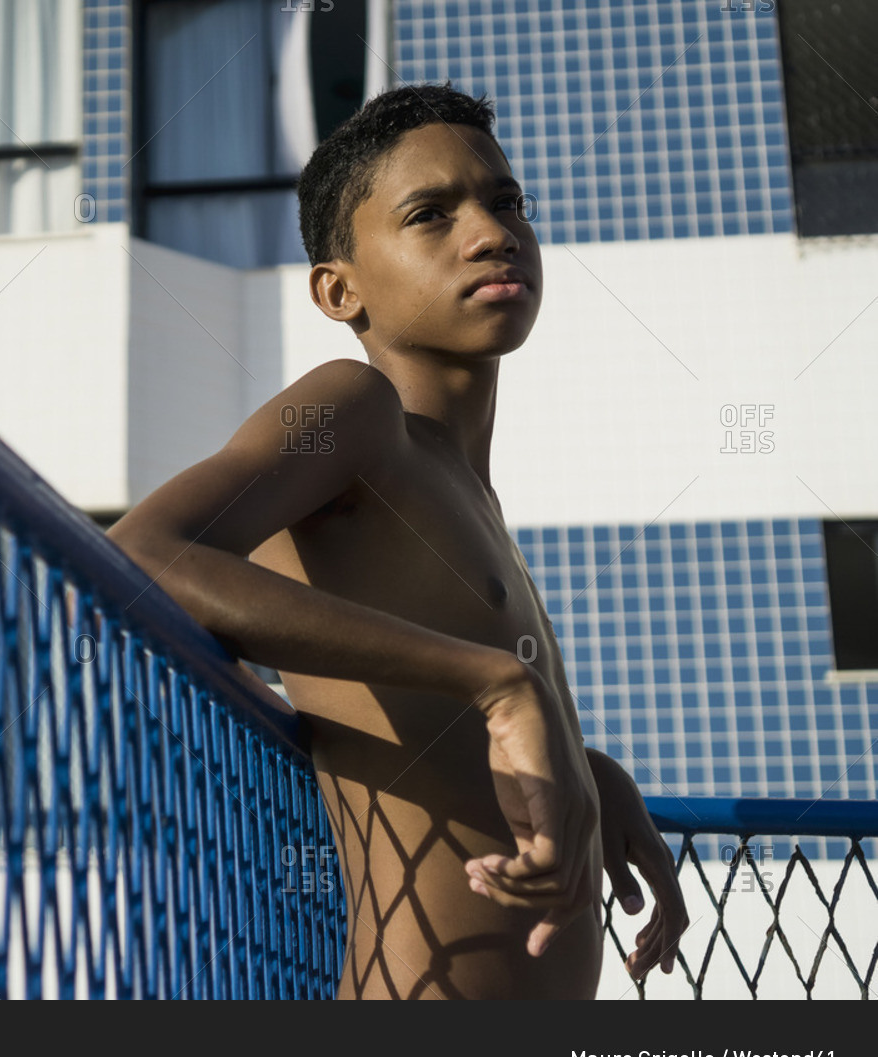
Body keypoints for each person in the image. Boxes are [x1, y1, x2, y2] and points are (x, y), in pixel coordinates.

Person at [106, 84, 687, 999]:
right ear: (340, 290)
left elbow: (424, 721)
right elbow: (147, 553)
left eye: (506, 202)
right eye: (430, 215)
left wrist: (587, 771)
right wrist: (499, 686)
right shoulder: (356, 405)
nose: (492, 232)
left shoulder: (470, 493)